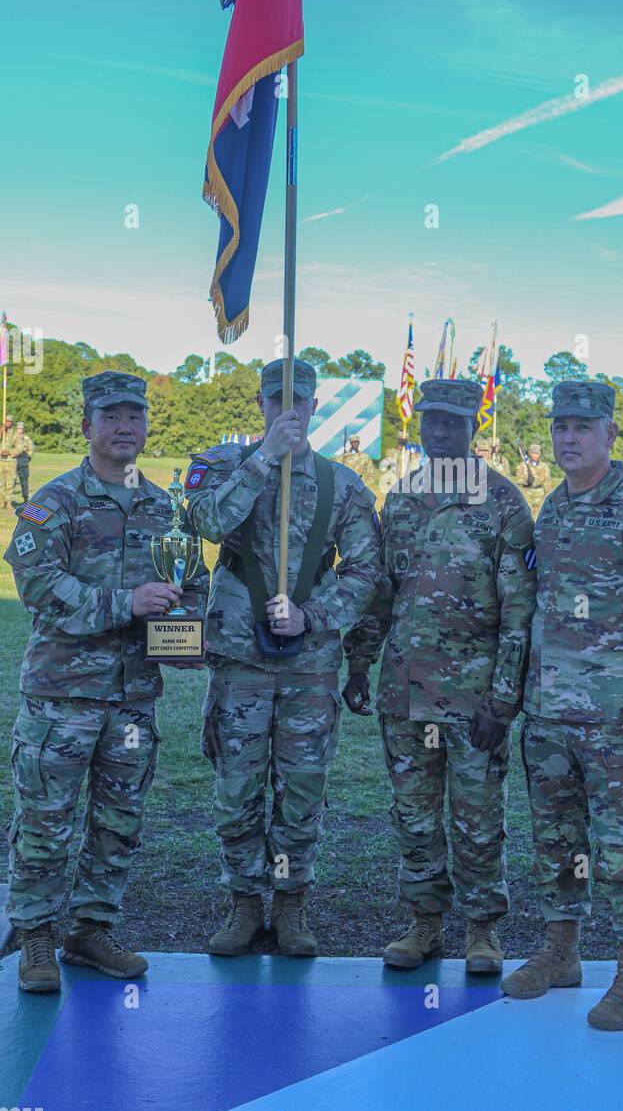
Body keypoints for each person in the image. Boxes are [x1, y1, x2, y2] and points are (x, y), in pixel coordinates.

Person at [503, 381, 623, 1030]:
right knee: (557, 844)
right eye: (560, 426)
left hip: (616, 722)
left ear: (611, 434)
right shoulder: (554, 507)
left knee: (622, 852)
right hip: (550, 718)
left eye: (583, 427)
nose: (568, 437)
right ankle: (561, 953)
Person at [4, 372, 208, 992]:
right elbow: (36, 582)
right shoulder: (56, 500)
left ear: (147, 426)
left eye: (135, 416)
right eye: (111, 416)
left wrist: (186, 634)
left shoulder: (167, 507)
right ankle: (36, 936)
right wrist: (125, 603)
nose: (124, 427)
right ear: (87, 427)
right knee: (46, 818)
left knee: (119, 821)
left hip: (132, 700)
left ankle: (91, 931)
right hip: (63, 696)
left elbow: (191, 582)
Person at [185, 359, 381, 958]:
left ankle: (291, 901)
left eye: (299, 399)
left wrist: (314, 616)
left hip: (308, 661)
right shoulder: (223, 466)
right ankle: (244, 902)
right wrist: (265, 457)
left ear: (315, 403)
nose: (287, 409)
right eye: (277, 400)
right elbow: (205, 522)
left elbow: (367, 569)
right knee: (238, 784)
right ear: (261, 403)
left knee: (301, 785)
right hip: (240, 658)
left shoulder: (342, 484)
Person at [342, 379, 536, 975]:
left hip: (474, 697)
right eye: (431, 422)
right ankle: (425, 923)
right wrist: (358, 661)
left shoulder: (503, 504)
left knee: (478, 818)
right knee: (414, 813)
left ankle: (482, 930)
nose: (439, 433)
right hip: (404, 689)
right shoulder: (400, 500)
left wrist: (502, 701)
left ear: (473, 427)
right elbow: (381, 593)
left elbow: (519, 613)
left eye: (452, 423)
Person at [516, 441, 552, 516]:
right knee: (526, 515)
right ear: (529, 453)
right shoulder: (523, 465)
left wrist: (548, 497)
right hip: (526, 493)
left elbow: (547, 483)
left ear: (540, 454)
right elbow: (518, 479)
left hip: (539, 494)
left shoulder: (544, 466)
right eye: (533, 453)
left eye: (537, 453)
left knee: (538, 516)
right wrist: (525, 481)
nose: (534, 455)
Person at [12, 422, 35, 504]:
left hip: (23, 464)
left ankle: (26, 499)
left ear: (23, 429)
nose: (19, 430)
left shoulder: (26, 439)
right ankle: (9, 501)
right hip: (12, 463)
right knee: (11, 483)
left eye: (21, 428)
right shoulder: (12, 438)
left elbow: (31, 450)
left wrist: (27, 458)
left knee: (24, 482)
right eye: (18, 428)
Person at [0, 416, 15, 510]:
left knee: (10, 483)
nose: (8, 423)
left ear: (12, 422)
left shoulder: (16, 433)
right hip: (1, 461)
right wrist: (1, 431)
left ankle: (9, 502)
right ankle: (1, 502)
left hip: (11, 462)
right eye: (6, 421)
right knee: (0, 483)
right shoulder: (2, 430)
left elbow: (20, 447)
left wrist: (10, 452)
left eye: (9, 421)